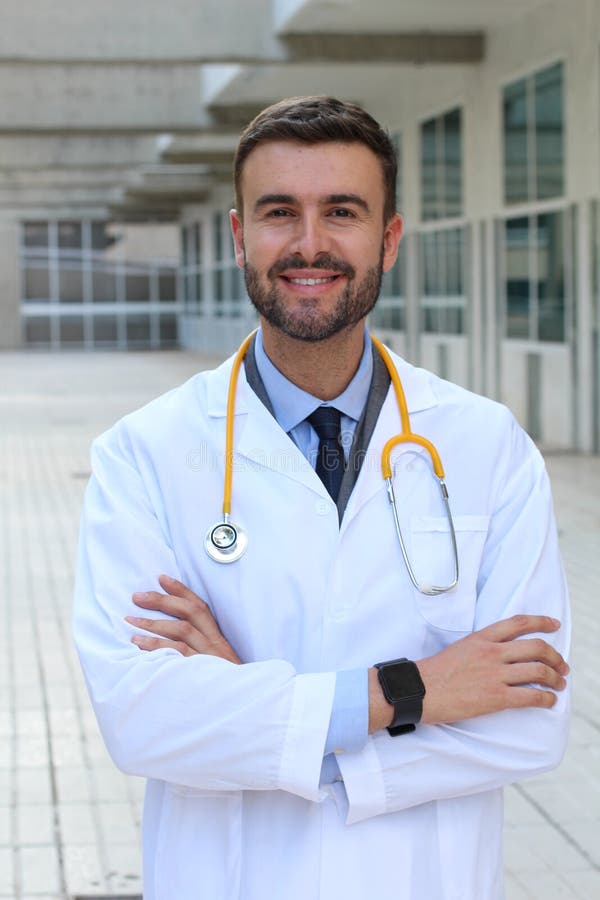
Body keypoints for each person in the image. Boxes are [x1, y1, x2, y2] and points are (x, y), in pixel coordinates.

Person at [73, 96, 570, 900]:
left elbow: (530, 723)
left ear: (390, 238)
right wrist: (414, 692)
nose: (309, 243)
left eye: (342, 211)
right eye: (279, 213)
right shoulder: (145, 454)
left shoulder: (488, 446)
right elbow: (143, 719)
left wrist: (257, 716)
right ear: (240, 237)